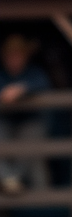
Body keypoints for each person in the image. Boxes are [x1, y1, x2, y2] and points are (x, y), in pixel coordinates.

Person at [0, 34, 51, 195]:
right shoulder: (2, 74)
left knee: (31, 139)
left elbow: (43, 83)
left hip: (30, 123)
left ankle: (12, 179)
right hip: (6, 123)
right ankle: (10, 178)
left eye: (17, 55)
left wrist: (22, 89)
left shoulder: (34, 73)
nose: (14, 59)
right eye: (10, 55)